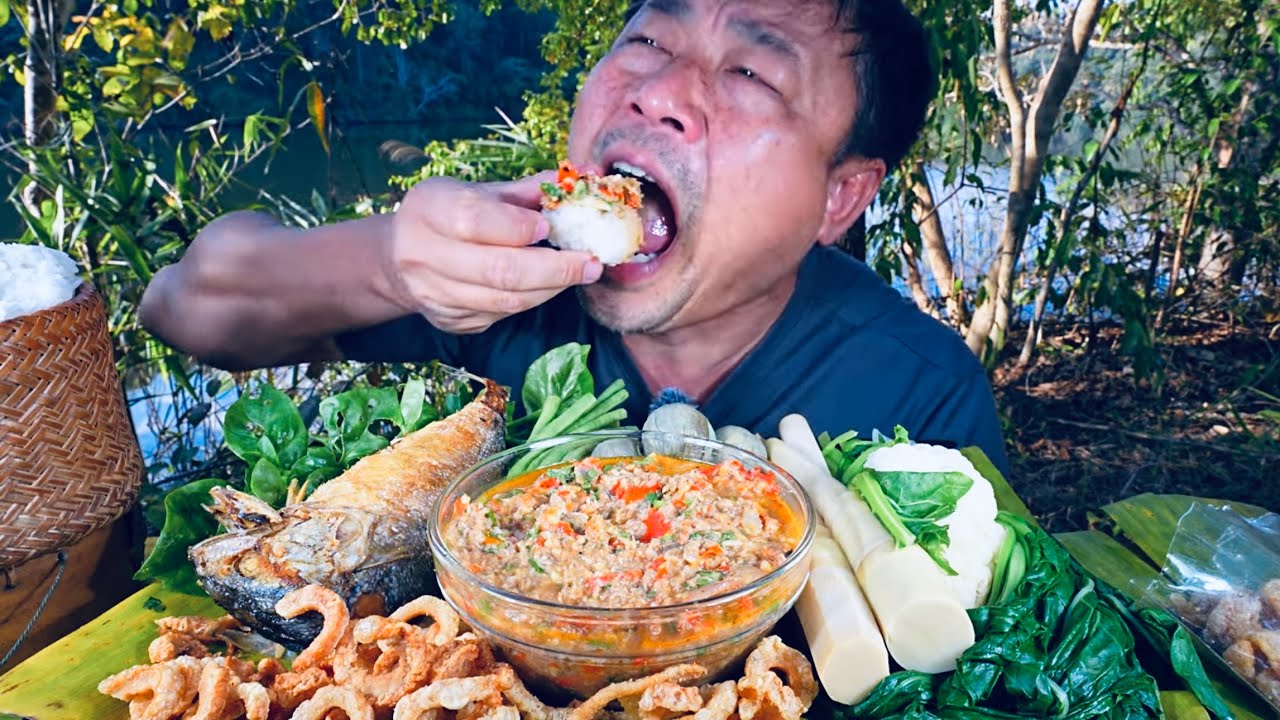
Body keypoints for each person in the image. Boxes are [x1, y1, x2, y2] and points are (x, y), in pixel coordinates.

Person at [140, 0, 1011, 474]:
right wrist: (391, 263)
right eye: (649, 38)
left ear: (841, 196)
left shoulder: (920, 395)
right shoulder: (502, 278)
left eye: (750, 72)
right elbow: (180, 306)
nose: (658, 91)